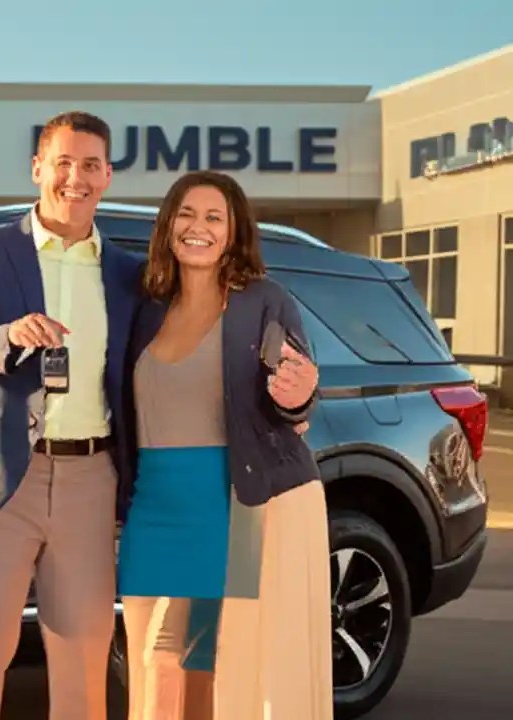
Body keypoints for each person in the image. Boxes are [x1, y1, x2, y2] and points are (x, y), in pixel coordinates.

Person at [0, 110, 145, 720]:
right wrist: (9, 337)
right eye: (63, 163)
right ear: (37, 169)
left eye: (91, 165)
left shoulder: (129, 273)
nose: (76, 178)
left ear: (107, 176)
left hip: (91, 478)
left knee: (83, 659)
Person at [115, 169, 330, 719]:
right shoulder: (148, 306)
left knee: (186, 660)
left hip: (229, 506)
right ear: (168, 225)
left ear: (234, 233)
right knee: (153, 667)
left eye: (215, 217)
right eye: (187, 214)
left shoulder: (262, 301)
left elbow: (295, 393)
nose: (199, 227)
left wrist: (302, 395)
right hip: (151, 508)